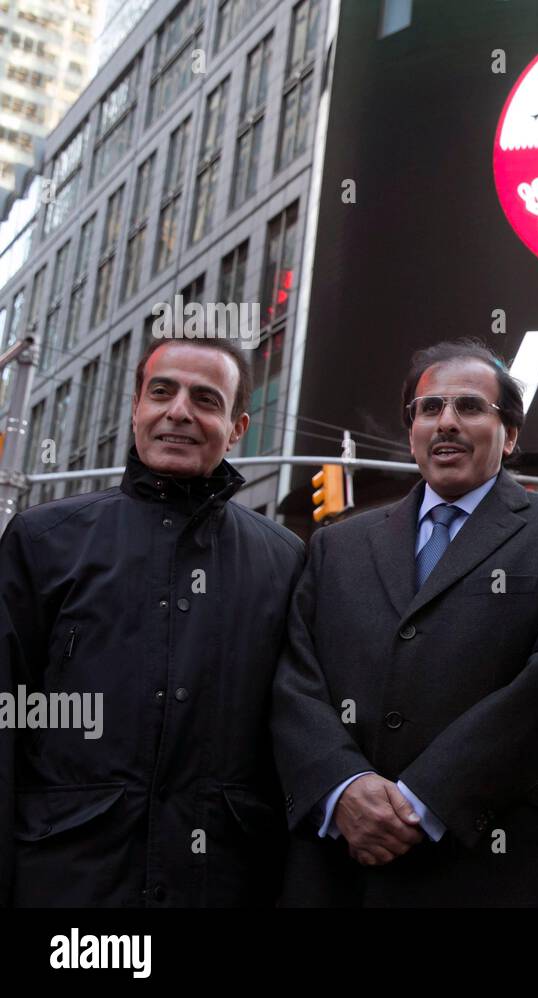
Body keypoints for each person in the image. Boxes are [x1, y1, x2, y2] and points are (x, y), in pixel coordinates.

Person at [272, 338, 538, 906]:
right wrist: (344, 787)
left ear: (512, 435)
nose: (447, 422)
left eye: (471, 407)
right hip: (347, 868)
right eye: (430, 409)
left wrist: (421, 802)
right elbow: (293, 680)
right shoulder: (338, 544)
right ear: (411, 432)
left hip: (500, 868)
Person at [0, 334, 304, 906]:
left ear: (238, 428)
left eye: (206, 399)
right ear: (136, 408)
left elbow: (298, 727)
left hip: (224, 883)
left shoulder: (285, 561)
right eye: (161, 392)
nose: (179, 411)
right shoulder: (43, 541)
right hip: (69, 888)